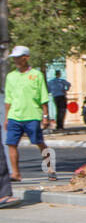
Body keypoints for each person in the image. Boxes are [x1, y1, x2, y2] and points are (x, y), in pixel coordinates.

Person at [4, 46, 54, 183]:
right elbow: (8, 98)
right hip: (15, 116)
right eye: (14, 57)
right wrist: (6, 118)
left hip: (32, 115)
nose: (16, 60)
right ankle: (16, 174)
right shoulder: (11, 76)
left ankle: (50, 169)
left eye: (18, 57)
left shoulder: (36, 75)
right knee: (11, 144)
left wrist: (45, 116)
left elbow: (43, 96)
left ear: (26, 58)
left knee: (39, 142)